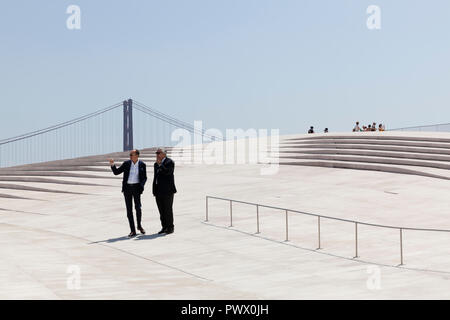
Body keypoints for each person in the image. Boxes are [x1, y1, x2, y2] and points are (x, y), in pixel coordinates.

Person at [109, 150, 147, 238]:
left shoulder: (142, 164)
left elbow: (144, 177)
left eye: (131, 154)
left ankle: (139, 226)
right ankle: (132, 230)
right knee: (129, 210)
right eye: (129, 155)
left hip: (137, 188)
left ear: (137, 155)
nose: (130, 156)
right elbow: (116, 172)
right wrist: (112, 164)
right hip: (127, 189)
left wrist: (141, 186)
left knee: (138, 208)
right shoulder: (126, 163)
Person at [153, 148, 177, 235]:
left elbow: (168, 173)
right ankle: (164, 227)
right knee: (161, 210)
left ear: (164, 154)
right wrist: (154, 190)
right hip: (158, 191)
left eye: (158, 153)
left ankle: (170, 227)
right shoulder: (156, 164)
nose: (157, 155)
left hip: (168, 191)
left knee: (168, 209)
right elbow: (155, 178)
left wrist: (161, 165)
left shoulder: (169, 162)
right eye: (156, 153)